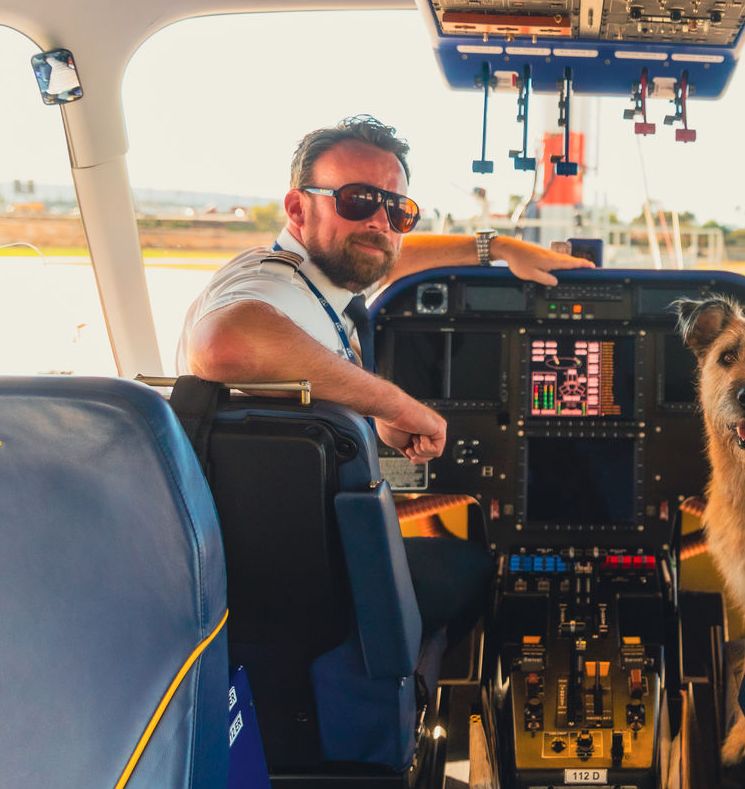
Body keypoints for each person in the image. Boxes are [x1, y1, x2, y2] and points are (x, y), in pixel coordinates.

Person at [176, 115, 588, 636]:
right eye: (356, 201)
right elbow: (223, 343)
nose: (380, 222)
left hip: (277, 558)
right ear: (298, 207)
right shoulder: (270, 284)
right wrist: (391, 405)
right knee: (487, 571)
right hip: (286, 585)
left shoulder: (321, 279)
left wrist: (499, 248)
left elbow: (381, 255)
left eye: (397, 211)